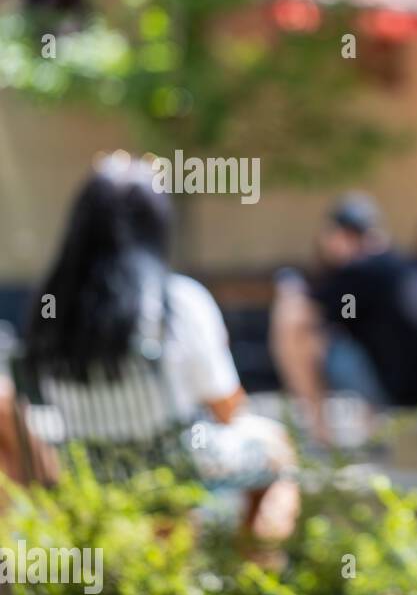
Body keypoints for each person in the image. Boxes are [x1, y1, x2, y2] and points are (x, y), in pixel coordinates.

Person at [21, 154, 300, 555]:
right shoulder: (178, 303)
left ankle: (161, 577)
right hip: (172, 471)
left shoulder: (50, 313)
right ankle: (254, 571)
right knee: (275, 445)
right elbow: (228, 410)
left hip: (89, 474)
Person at [270, 193, 417, 444]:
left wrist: (288, 290)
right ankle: (370, 427)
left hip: (398, 395)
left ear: (341, 236)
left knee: (291, 318)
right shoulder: (403, 262)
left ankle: (319, 431)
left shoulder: (357, 270)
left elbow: (303, 313)